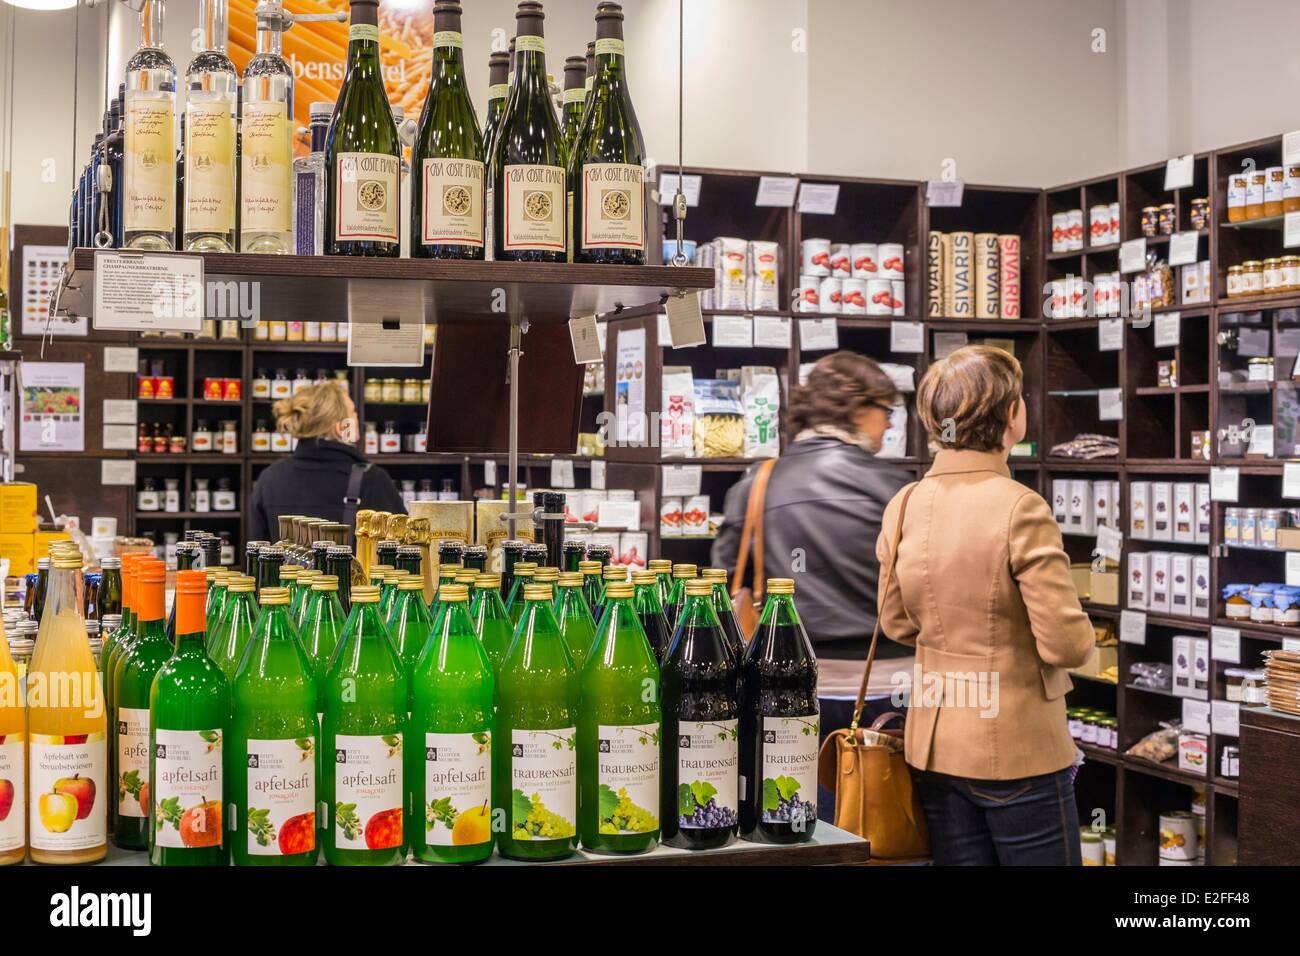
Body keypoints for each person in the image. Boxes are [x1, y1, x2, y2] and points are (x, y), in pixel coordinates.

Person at [875, 345, 1093, 866]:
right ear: (1012, 416)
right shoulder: (1020, 507)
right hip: (1019, 748)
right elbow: (1068, 645)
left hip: (934, 745)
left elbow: (896, 621)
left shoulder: (904, 504)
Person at [711, 351, 913, 790]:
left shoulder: (757, 484)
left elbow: (721, 585)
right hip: (888, 689)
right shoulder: (896, 489)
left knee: (795, 817)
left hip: (786, 685)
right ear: (857, 408)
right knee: (886, 827)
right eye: (886, 411)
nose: (891, 425)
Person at [248, 380, 406, 541]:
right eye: (353, 413)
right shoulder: (372, 480)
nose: (358, 419)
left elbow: (256, 550)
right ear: (341, 428)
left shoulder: (269, 478)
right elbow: (402, 549)